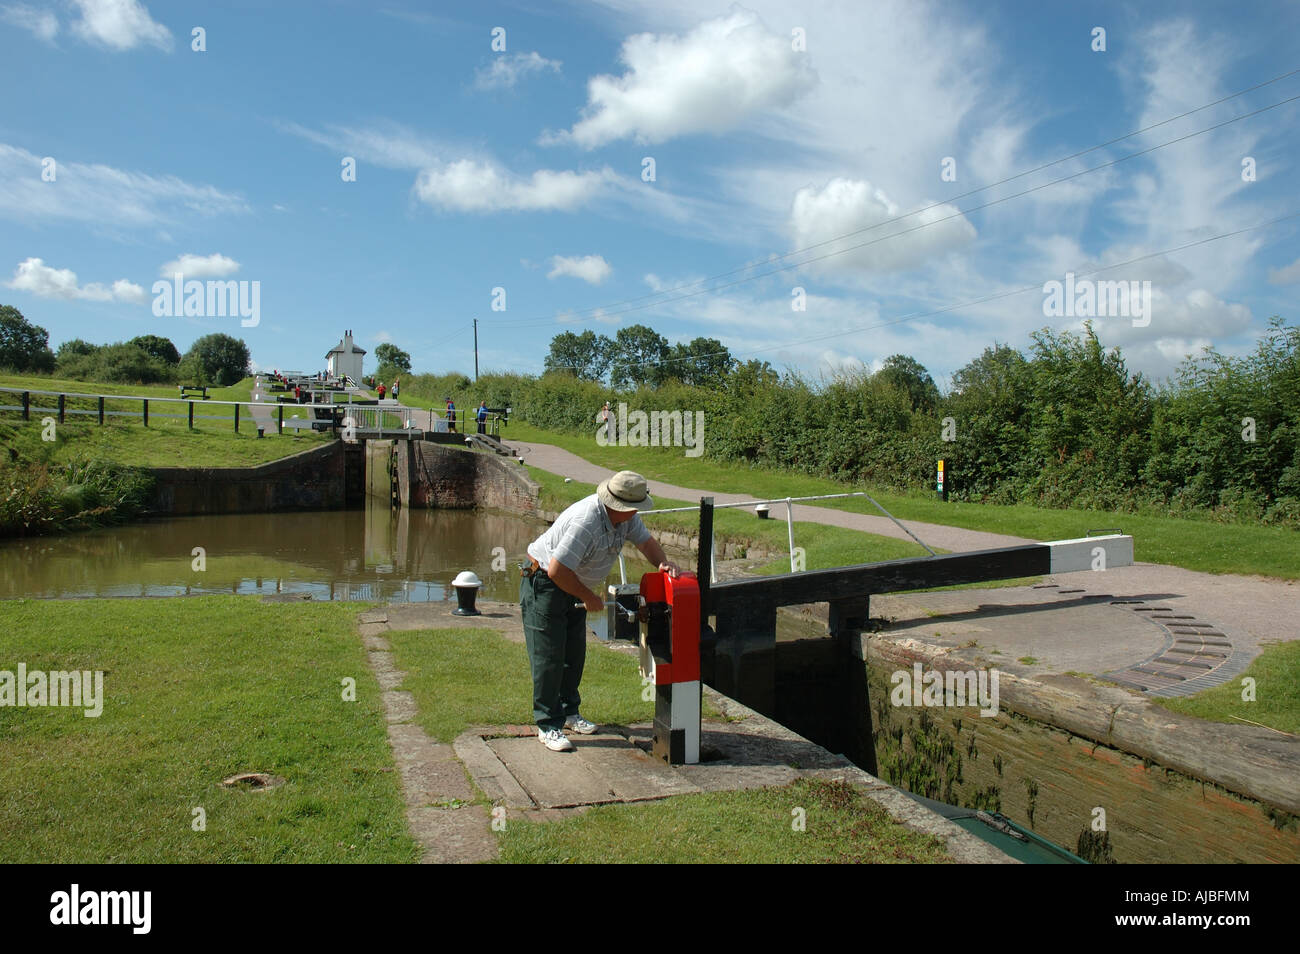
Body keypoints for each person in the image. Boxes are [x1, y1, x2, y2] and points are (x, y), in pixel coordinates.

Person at [520, 471, 680, 752]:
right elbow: (557, 569)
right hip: (545, 582)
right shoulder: (587, 522)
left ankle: (570, 713)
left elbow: (646, 543)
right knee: (549, 656)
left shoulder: (627, 518)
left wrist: (662, 564)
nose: (637, 513)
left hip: (571, 582)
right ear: (619, 505)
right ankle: (548, 725)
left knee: (573, 654)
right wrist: (587, 596)